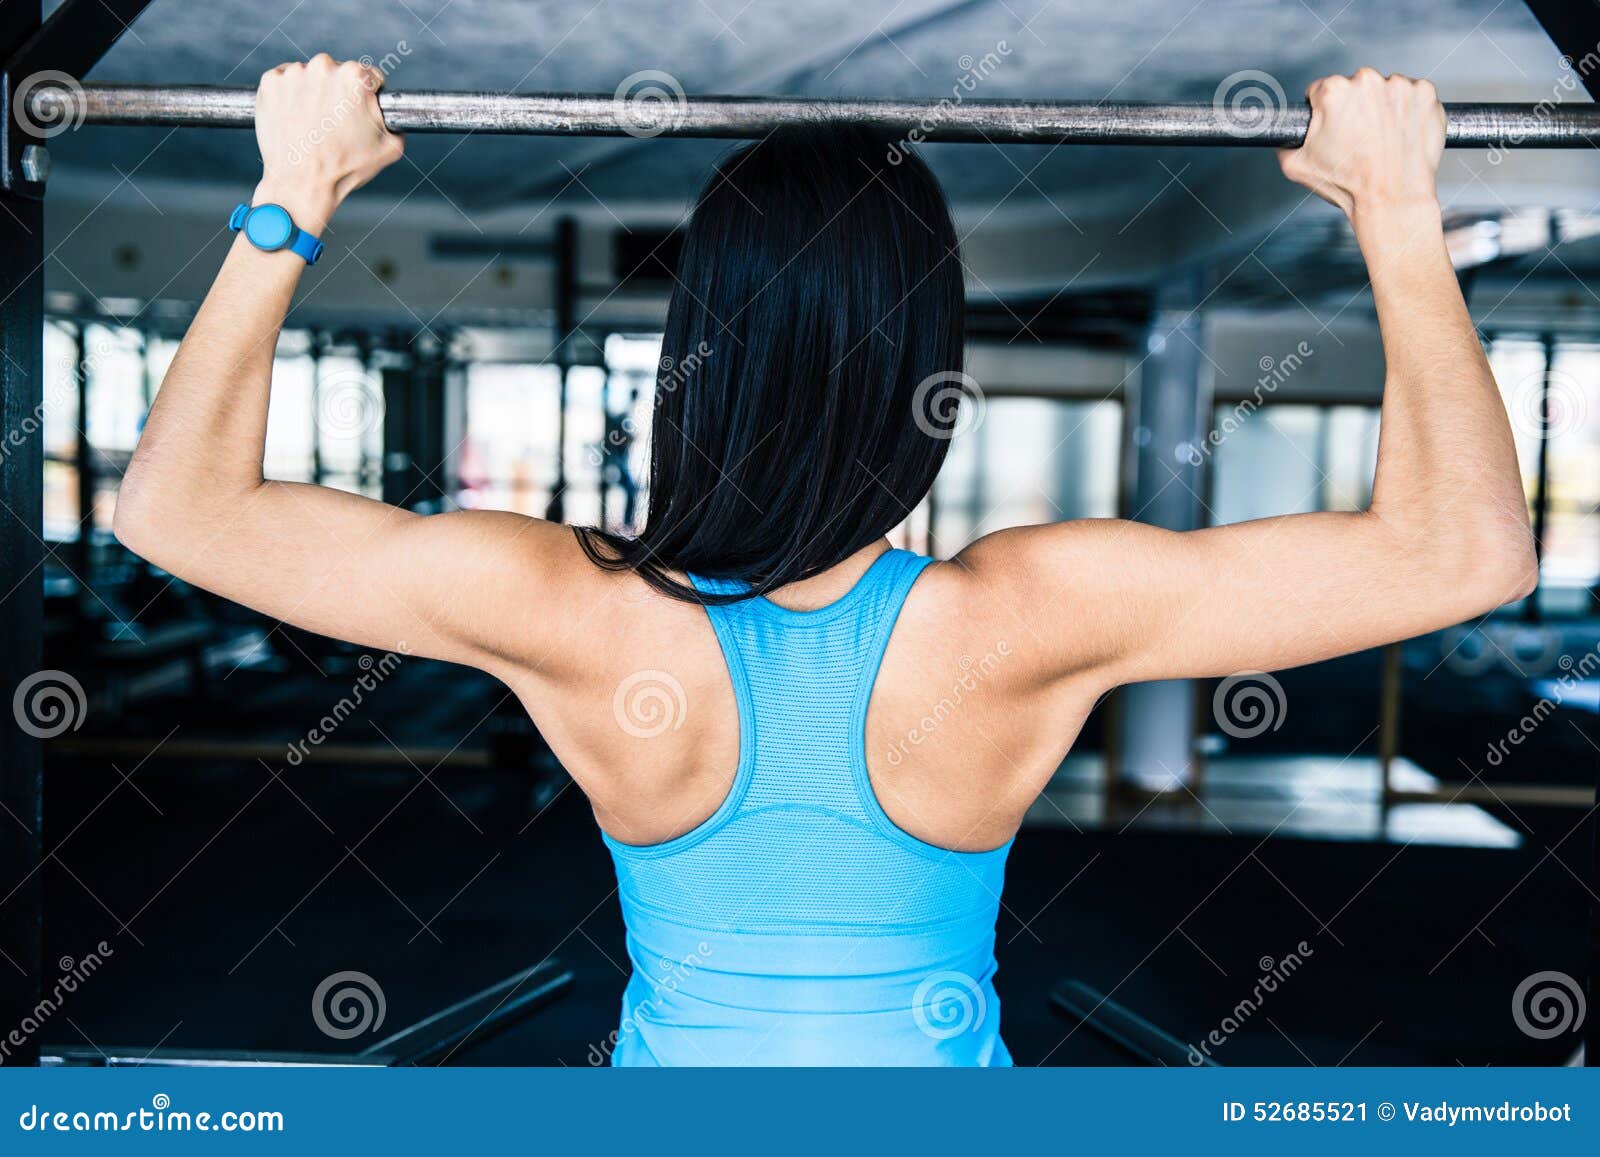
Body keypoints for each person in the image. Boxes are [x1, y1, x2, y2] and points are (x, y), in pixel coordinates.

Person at [114, 57, 1536, 1066]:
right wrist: (1400, 217)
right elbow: (1461, 552)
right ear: (933, 369)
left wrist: (290, 191)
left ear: (691, 360)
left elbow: (178, 511)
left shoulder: (565, 606)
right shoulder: (1028, 613)